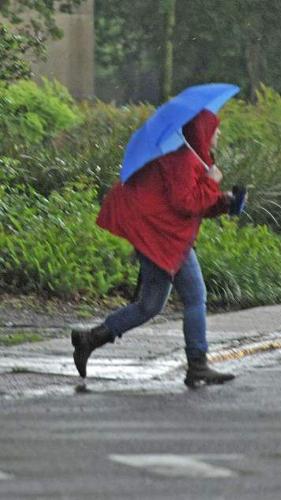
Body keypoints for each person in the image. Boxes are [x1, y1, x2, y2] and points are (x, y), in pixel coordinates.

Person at [71, 109, 236, 388]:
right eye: (215, 128)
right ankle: (197, 364)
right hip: (163, 238)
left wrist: (223, 202)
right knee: (196, 297)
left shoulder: (193, 159)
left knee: (150, 305)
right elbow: (184, 203)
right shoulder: (183, 159)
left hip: (160, 236)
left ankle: (90, 339)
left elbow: (192, 203)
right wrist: (211, 182)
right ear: (202, 131)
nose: (218, 133)